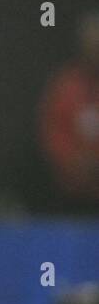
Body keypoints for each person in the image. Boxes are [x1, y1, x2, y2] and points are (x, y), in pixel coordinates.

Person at [38, 11, 99, 210]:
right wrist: (75, 162)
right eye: (91, 42)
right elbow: (53, 132)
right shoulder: (65, 87)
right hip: (72, 191)